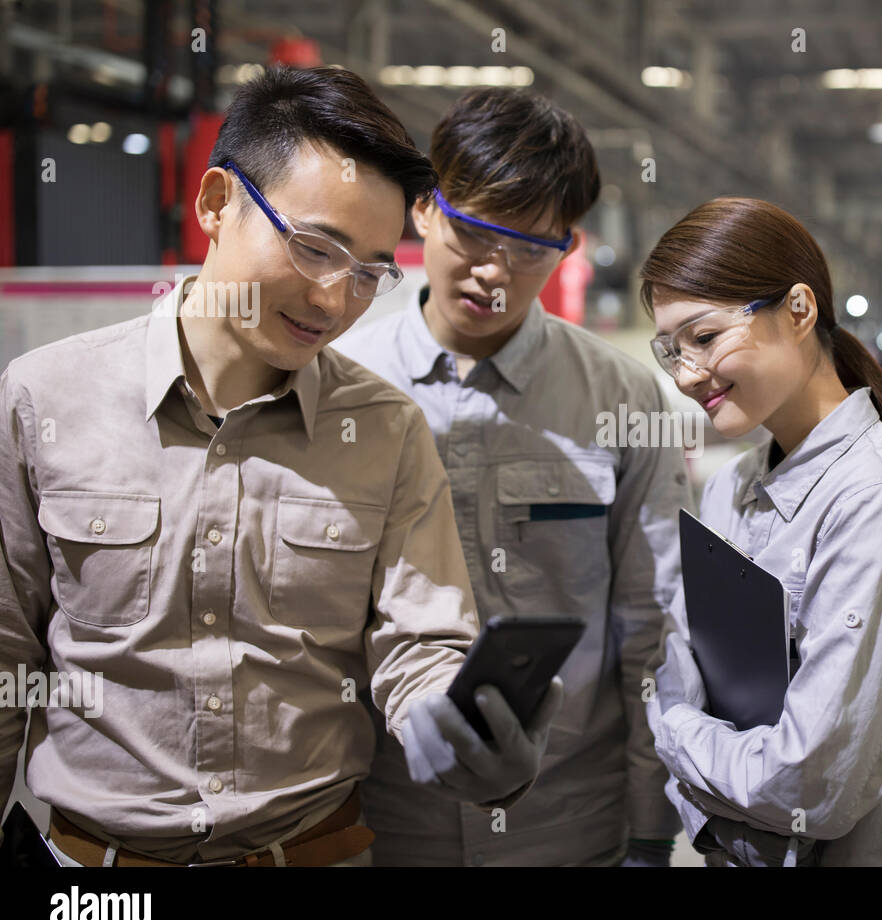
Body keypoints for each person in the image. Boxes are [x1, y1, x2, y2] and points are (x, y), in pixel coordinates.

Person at [0, 66, 560, 867]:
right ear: (216, 202)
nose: (333, 299)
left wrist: (458, 726)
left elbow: (419, 644)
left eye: (368, 273)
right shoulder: (45, 398)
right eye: (314, 248)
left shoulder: (384, 430)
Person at [333, 87, 690, 866]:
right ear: (423, 209)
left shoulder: (622, 400)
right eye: (473, 231)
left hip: (567, 826)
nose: (494, 272)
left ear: (567, 246)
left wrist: (651, 828)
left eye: (531, 248)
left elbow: (654, 625)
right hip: (385, 822)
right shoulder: (340, 387)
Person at [640, 197, 882, 866]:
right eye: (671, 350)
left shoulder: (880, 500)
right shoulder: (732, 487)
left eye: (704, 338)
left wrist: (676, 734)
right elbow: (679, 663)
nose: (686, 375)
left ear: (799, 310)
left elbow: (812, 784)